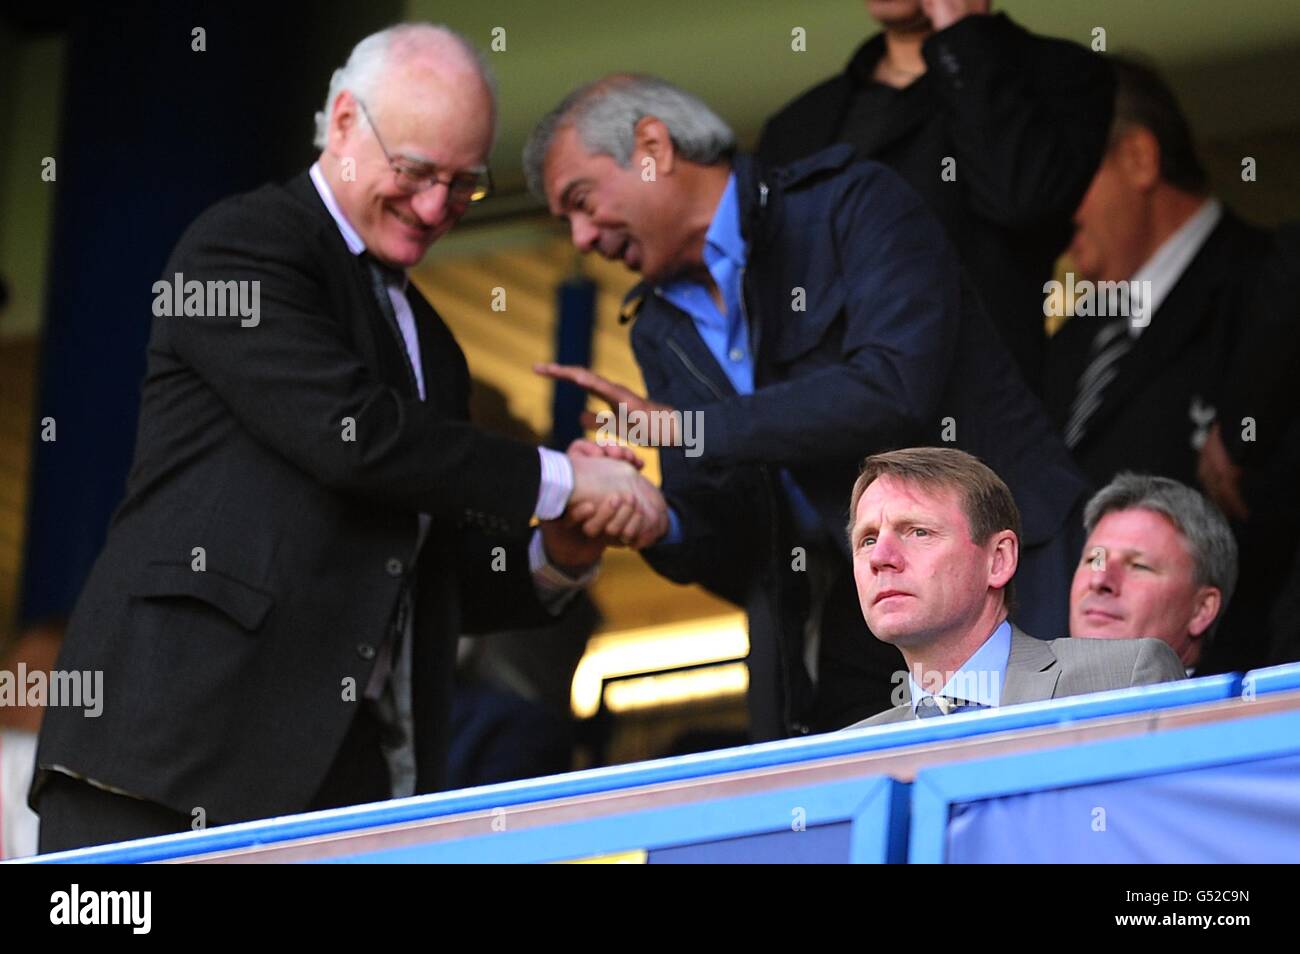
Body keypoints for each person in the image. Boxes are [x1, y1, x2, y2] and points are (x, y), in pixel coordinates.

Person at [32, 23, 666, 853]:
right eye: (414, 172)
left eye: (464, 184)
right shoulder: (244, 245)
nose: (437, 207)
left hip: (341, 790)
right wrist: (563, 480)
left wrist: (563, 549)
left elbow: (422, 571)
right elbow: (356, 439)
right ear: (340, 122)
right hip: (170, 761)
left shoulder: (431, 343)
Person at [524, 74, 1088, 737]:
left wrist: (693, 429)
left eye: (582, 201)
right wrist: (655, 520)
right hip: (850, 627)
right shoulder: (657, 326)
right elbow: (732, 535)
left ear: (653, 146)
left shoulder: (853, 205)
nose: (583, 238)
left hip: (1014, 578)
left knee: (1047, 806)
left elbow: (893, 387)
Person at [758, 0, 1114, 393]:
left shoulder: (1059, 74)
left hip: (978, 415)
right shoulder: (799, 122)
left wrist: (961, 34)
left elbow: (1022, 201)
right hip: (827, 416)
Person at [1043, 58, 1272, 490]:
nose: (1046, 210)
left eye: (1062, 176)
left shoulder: (1269, 292)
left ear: (1138, 158)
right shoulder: (1071, 342)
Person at [845, 448, 1185, 728]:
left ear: (999, 560)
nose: (880, 557)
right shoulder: (848, 754)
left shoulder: (1120, 679)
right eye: (868, 539)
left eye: (918, 531)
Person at [1069, 474, 1236, 674]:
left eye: (1139, 566)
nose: (1099, 580)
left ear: (1202, 609)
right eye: (1093, 560)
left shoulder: (1244, 704)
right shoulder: (1027, 697)